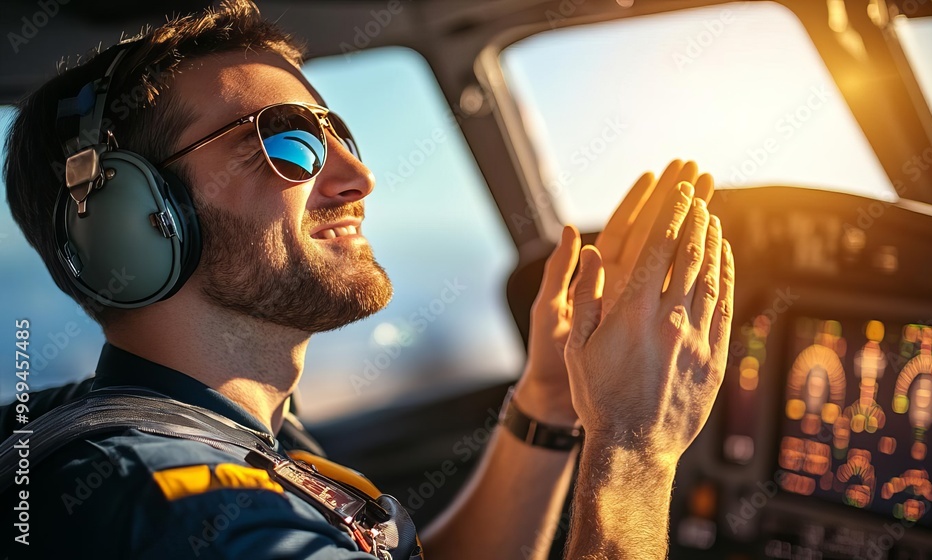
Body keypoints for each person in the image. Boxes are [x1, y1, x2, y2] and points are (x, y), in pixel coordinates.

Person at [1, 1, 733, 558]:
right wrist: (634, 449)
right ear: (128, 222)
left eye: (338, 136)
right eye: (288, 142)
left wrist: (549, 396)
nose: (359, 177)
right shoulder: (184, 508)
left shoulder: (229, 430)